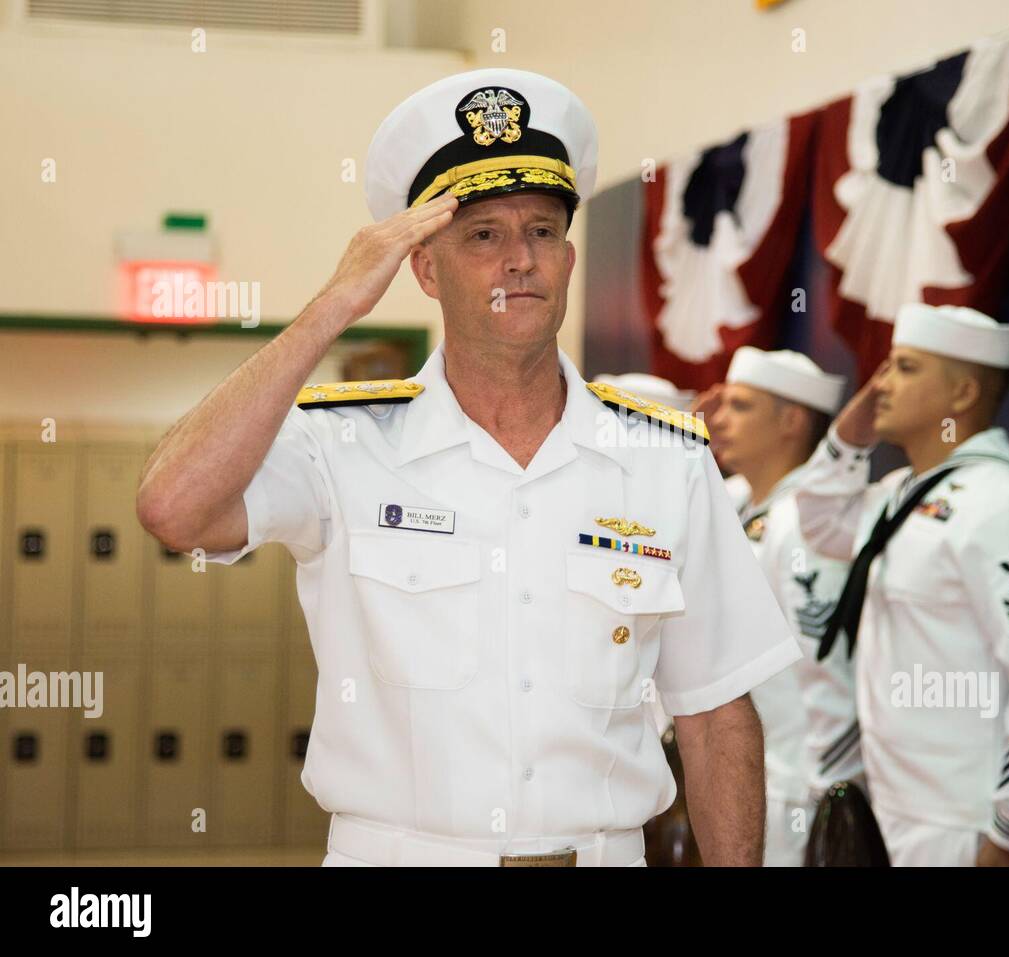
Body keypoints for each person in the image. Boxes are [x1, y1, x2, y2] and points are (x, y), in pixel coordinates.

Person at [135, 68, 801, 867]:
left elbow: (716, 712)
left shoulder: (664, 459)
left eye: (543, 231)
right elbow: (173, 509)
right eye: (483, 234)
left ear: (568, 257)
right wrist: (334, 305)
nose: (520, 259)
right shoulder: (344, 443)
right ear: (422, 269)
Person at [796, 304, 1009, 866]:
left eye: (905, 368)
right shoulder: (899, 496)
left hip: (969, 824)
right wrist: (849, 436)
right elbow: (819, 520)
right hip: (898, 812)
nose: (880, 383)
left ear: (962, 395)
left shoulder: (1000, 506)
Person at [702, 347, 860, 866]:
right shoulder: (740, 501)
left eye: (741, 406)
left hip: (793, 787)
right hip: (745, 776)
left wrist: (829, 792)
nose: (719, 419)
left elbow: (828, 665)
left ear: (791, 420)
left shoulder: (804, 524)